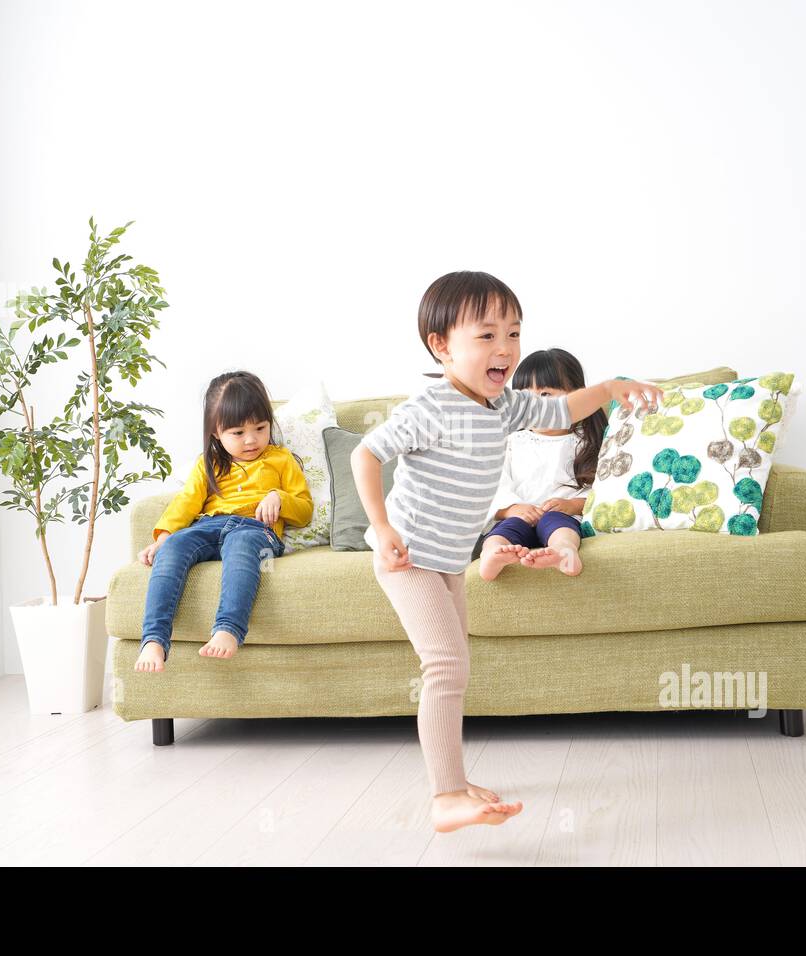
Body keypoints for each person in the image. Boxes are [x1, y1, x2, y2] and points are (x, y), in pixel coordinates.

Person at [350, 271, 663, 832]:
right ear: (440, 346)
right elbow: (366, 457)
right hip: (408, 555)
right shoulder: (432, 406)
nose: (506, 349)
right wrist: (382, 526)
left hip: (447, 559)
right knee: (443, 665)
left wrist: (613, 387)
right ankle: (446, 797)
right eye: (487, 335)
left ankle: (454, 777)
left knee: (456, 667)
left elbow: (563, 410)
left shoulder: (505, 405)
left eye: (513, 334)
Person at [134, 370, 312, 669]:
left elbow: (305, 509)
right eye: (238, 433)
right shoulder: (209, 465)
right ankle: (153, 640)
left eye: (260, 427)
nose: (252, 439)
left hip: (255, 530)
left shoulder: (282, 459)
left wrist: (279, 498)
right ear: (216, 432)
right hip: (207, 525)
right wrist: (163, 539)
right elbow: (186, 502)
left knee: (242, 548)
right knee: (173, 548)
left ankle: (228, 630)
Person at [478, 348, 605, 580]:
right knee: (503, 533)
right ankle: (492, 555)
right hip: (518, 515)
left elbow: (602, 488)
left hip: (561, 516)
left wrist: (572, 505)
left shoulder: (586, 442)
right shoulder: (510, 442)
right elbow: (492, 483)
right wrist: (512, 508)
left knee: (562, 529)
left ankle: (564, 552)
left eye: (546, 394)